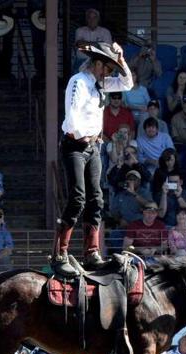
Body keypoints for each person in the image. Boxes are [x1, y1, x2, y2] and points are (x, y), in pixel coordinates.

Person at [53, 42, 132, 275]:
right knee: (78, 197)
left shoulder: (101, 84)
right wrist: (83, 136)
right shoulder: (78, 81)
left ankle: (92, 253)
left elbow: (127, 83)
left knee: (96, 198)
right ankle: (60, 253)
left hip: (93, 146)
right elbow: (72, 115)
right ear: (97, 64)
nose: (109, 73)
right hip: (76, 145)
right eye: (107, 68)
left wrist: (121, 57)